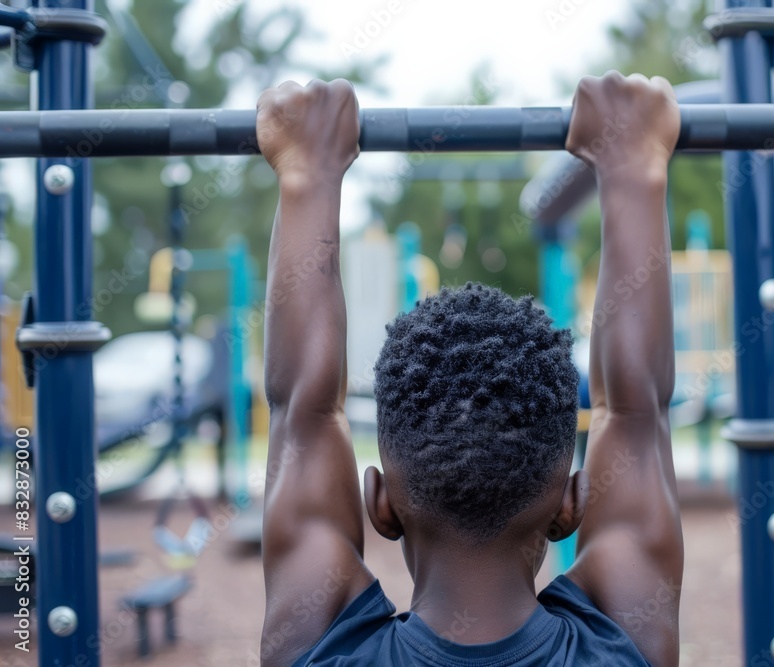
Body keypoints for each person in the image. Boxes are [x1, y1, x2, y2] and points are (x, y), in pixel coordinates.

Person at [256, 70, 683, 667]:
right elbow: (635, 413)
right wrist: (636, 163)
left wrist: (307, 174)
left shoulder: (322, 652)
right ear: (571, 504)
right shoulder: (623, 646)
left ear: (379, 503)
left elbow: (303, 410)